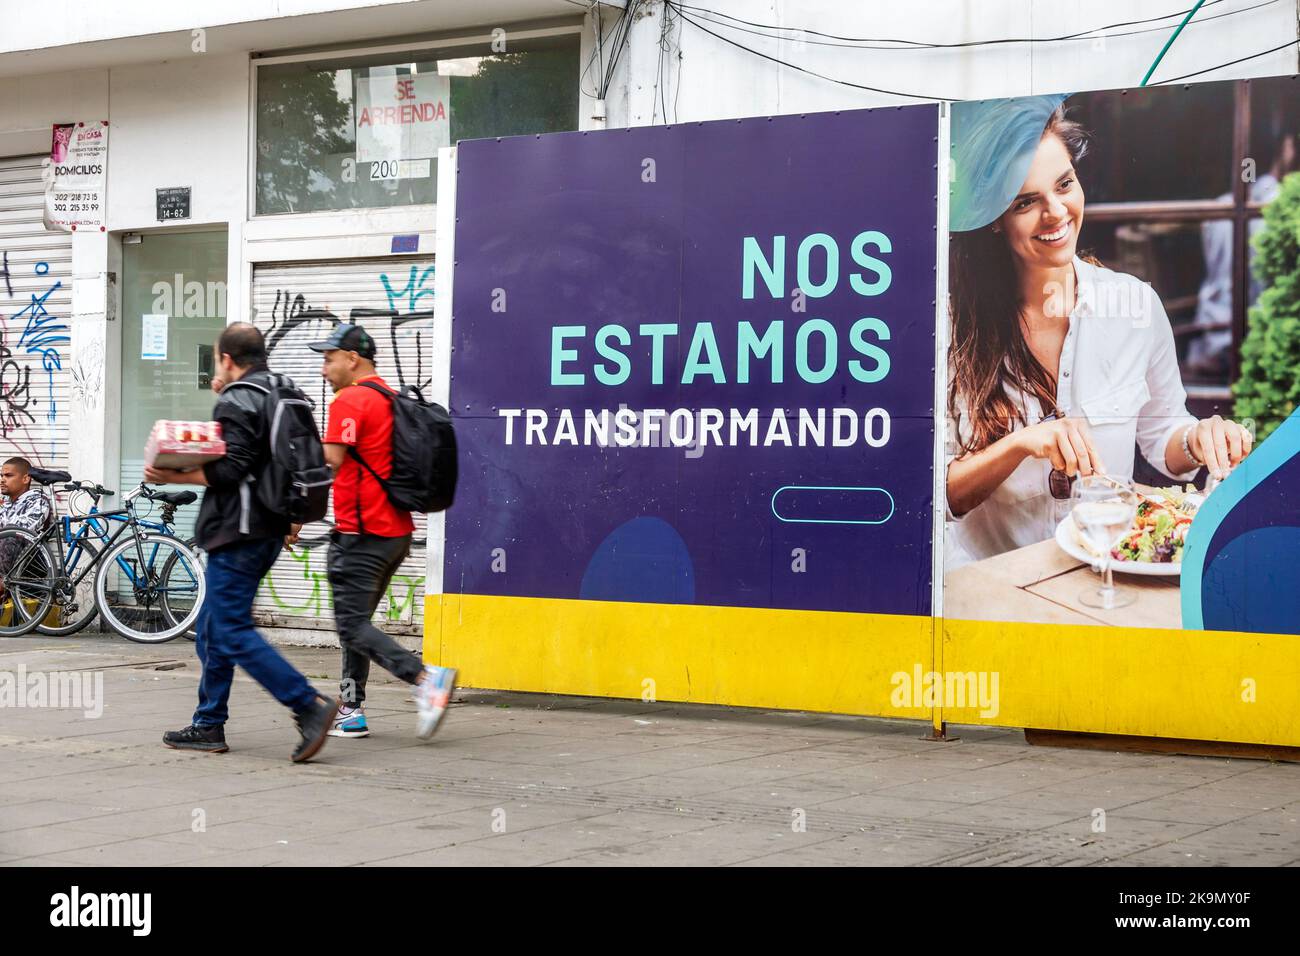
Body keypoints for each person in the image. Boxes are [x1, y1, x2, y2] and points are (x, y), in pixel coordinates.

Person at [944, 97, 1254, 568]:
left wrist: (1199, 438)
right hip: (991, 593)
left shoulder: (1136, 306)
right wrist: (1021, 444)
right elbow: (942, 497)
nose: (1056, 213)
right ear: (993, 220)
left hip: (1103, 578)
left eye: (1065, 184)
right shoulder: (950, 326)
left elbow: (1163, 435)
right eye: (1025, 202)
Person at [147, 322, 339, 761]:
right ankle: (208, 723)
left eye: (218, 360)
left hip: (238, 530)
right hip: (271, 527)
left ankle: (307, 704)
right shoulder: (283, 388)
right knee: (214, 628)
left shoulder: (238, 398)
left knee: (231, 630)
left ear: (228, 359)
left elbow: (231, 469)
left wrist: (174, 475)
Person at [297, 323, 455, 740]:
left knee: (351, 626)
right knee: (358, 622)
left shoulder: (350, 400)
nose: (323, 369)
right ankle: (351, 708)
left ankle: (425, 679)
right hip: (395, 533)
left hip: (362, 535)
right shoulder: (390, 395)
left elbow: (328, 463)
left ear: (353, 359)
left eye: (329, 359)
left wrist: (291, 507)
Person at [0, 457, 54, 582]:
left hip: (28, 563)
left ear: (25, 479)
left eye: (8, 476)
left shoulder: (38, 501)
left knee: (10, 536)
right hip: (8, 561)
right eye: (1, 475)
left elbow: (21, 531)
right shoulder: (6, 504)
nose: (2, 480)